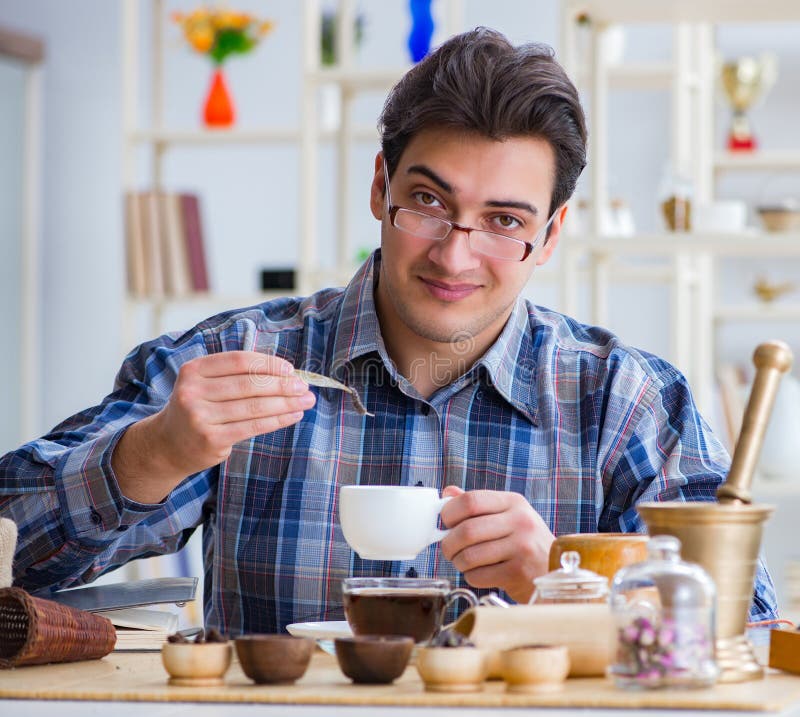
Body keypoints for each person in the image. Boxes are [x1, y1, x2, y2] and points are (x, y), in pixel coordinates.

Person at [0, 28, 776, 633]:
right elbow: (12, 554)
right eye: (429, 201)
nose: (455, 253)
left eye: (504, 221)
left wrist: (568, 579)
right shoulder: (236, 362)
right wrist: (152, 454)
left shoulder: (624, 400)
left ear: (551, 235)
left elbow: (749, 623)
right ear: (380, 185)